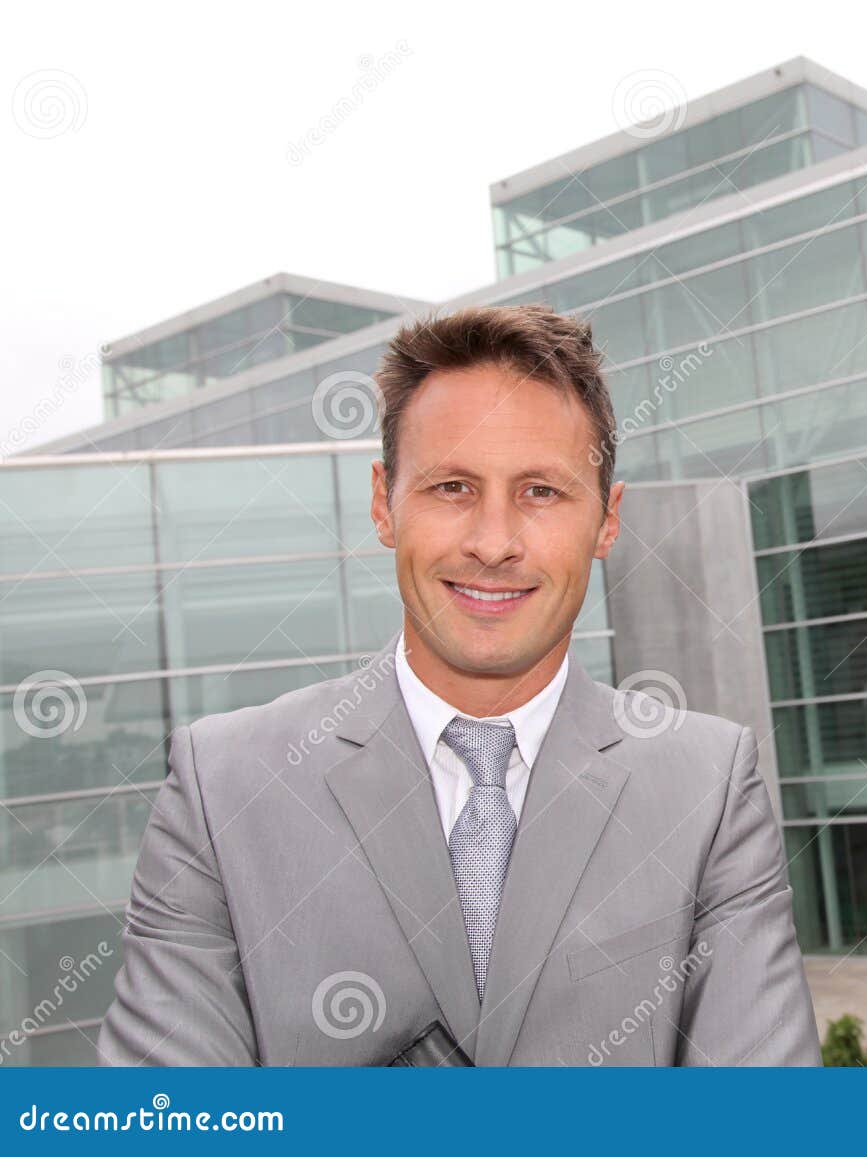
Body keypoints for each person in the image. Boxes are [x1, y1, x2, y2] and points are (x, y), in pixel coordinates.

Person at [98, 304, 820, 1066]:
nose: (493, 542)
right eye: (451, 486)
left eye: (542, 491)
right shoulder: (222, 784)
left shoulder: (708, 788)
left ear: (607, 521)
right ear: (384, 502)